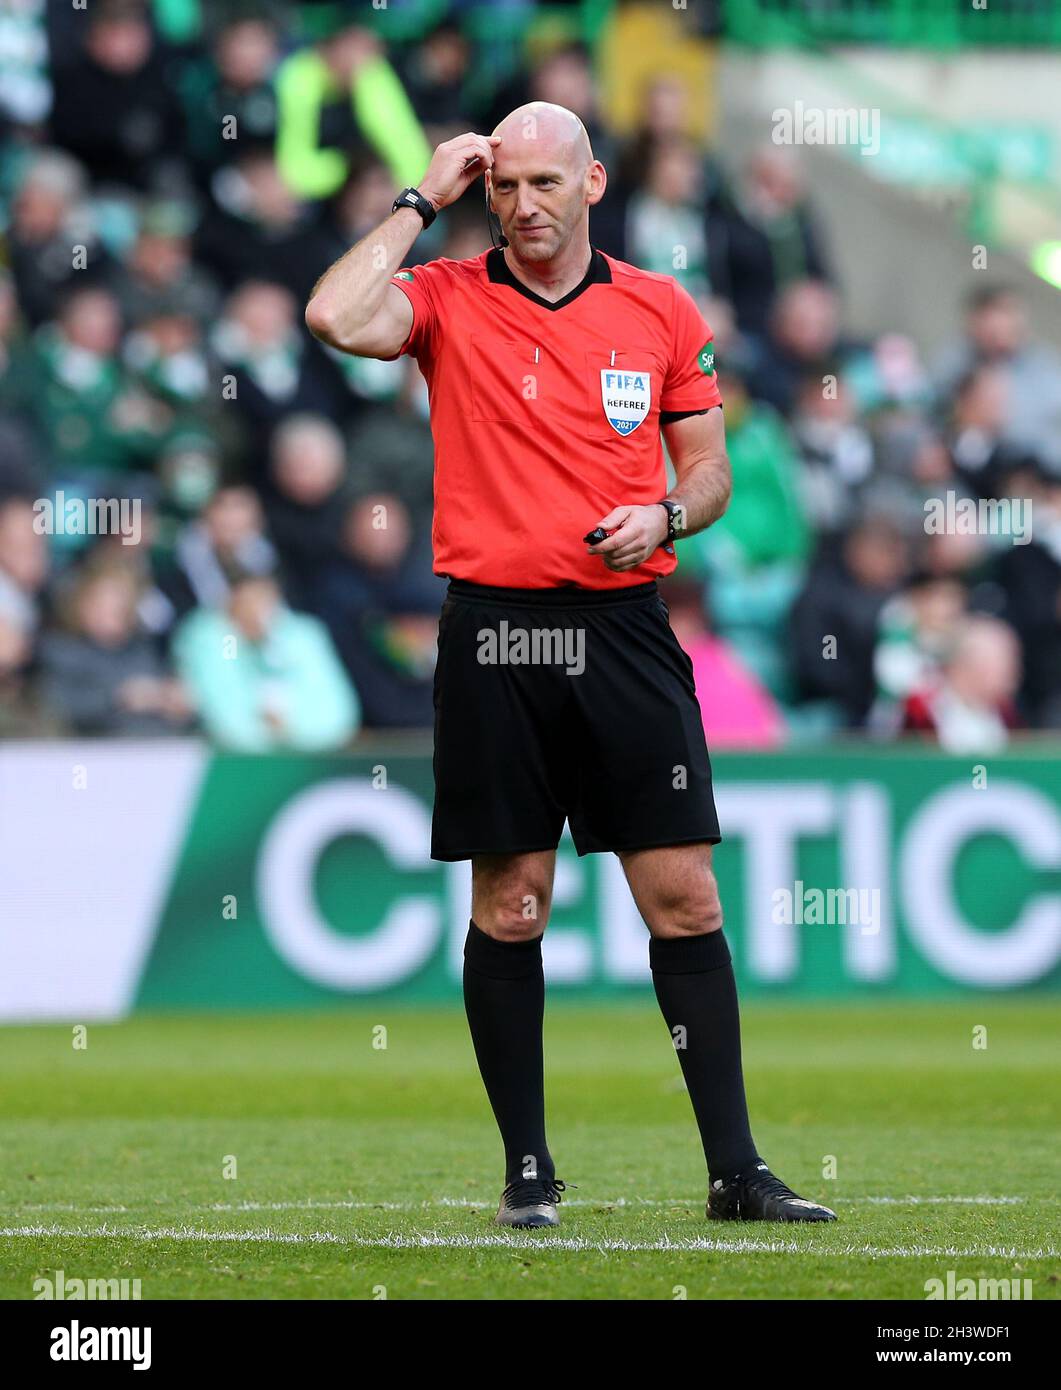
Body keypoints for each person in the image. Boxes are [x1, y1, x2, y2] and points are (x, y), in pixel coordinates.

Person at [306, 105, 836, 1229]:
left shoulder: (656, 307)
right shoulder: (446, 297)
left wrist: (665, 516)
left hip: (621, 629)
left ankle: (735, 1172)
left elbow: (706, 471)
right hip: (495, 633)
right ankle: (528, 1169)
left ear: (592, 181)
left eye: (544, 182)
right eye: (503, 186)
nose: (522, 204)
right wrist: (419, 196)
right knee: (511, 903)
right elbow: (330, 313)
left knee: (683, 894)